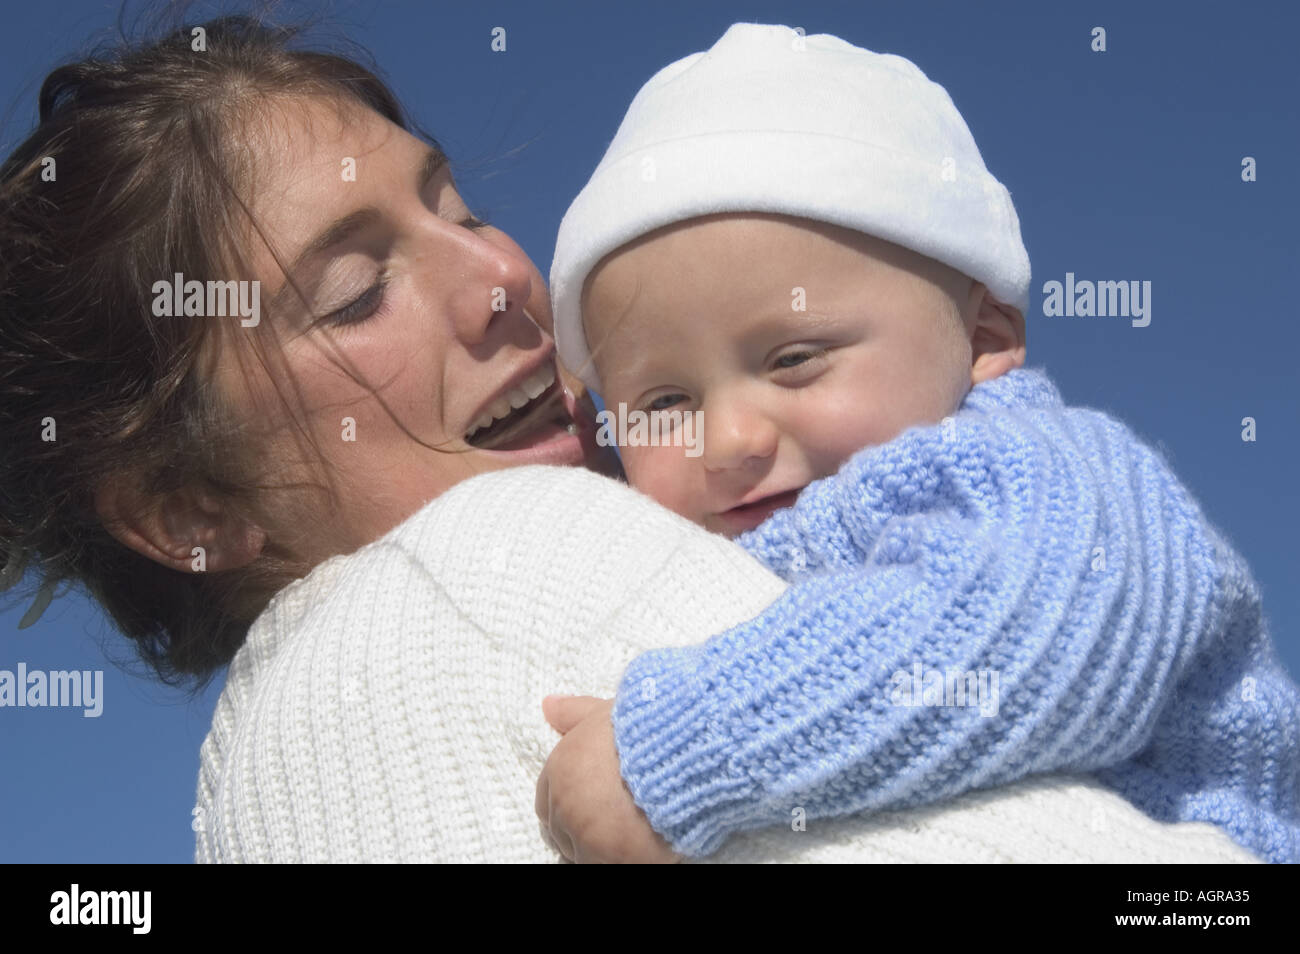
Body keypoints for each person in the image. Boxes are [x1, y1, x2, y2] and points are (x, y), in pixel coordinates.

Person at [0, 14, 1261, 863]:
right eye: (355, 292)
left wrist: (676, 748)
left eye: (461, 208)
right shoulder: (469, 576)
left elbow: (1047, 625)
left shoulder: (1005, 482)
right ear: (187, 515)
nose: (506, 276)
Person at [537, 23, 1300, 863]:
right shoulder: (694, 547)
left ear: (983, 338)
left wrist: (673, 753)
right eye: (667, 401)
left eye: (793, 360)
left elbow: (1033, 637)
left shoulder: (1047, 470)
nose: (728, 441)